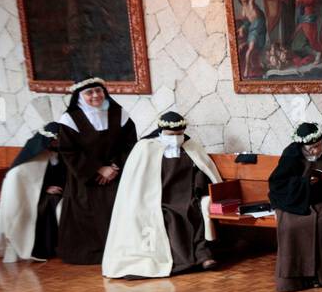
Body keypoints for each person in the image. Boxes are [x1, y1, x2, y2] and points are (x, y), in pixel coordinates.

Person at [103, 112, 221, 278]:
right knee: (168, 216)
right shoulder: (145, 147)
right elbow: (136, 183)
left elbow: (203, 170)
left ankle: (203, 256)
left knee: (195, 211)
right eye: (171, 135)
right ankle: (180, 260)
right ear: (161, 131)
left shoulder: (190, 146)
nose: (176, 138)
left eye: (179, 134)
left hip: (187, 195)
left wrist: (198, 187)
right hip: (157, 199)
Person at [54, 77, 138, 264]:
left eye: (98, 91)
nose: (95, 95)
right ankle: (93, 255)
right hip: (85, 180)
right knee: (88, 212)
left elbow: (130, 144)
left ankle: (122, 251)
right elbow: (69, 152)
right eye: (89, 92)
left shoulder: (119, 114)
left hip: (117, 175)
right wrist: (98, 169)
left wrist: (115, 166)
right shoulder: (70, 120)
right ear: (79, 97)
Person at [268, 123, 322, 292]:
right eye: (311, 148)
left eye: (318, 146)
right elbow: (278, 183)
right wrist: (305, 183)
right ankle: (295, 280)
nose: (315, 150)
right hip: (296, 201)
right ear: (302, 146)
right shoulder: (291, 154)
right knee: (291, 225)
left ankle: (321, 276)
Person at [0, 122, 66, 263]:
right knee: (49, 205)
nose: (57, 142)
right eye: (54, 139)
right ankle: (43, 248)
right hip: (33, 196)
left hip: (60, 191)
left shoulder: (63, 153)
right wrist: (45, 188)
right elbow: (23, 180)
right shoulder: (32, 156)